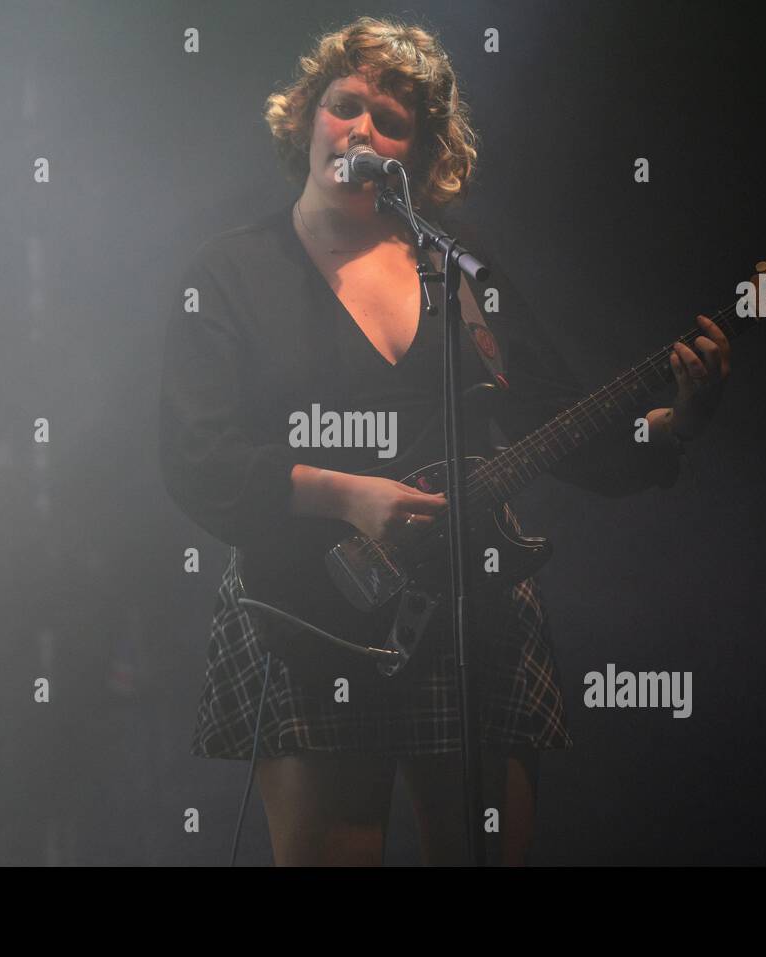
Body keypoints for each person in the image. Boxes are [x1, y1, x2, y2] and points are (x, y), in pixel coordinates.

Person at [159, 16, 729, 865]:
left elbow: (554, 424)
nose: (360, 130)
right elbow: (197, 458)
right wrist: (353, 495)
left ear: (417, 157)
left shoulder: (459, 270)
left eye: (391, 122)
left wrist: (674, 420)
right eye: (343, 105)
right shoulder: (231, 272)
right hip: (311, 610)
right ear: (307, 118)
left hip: (473, 601)